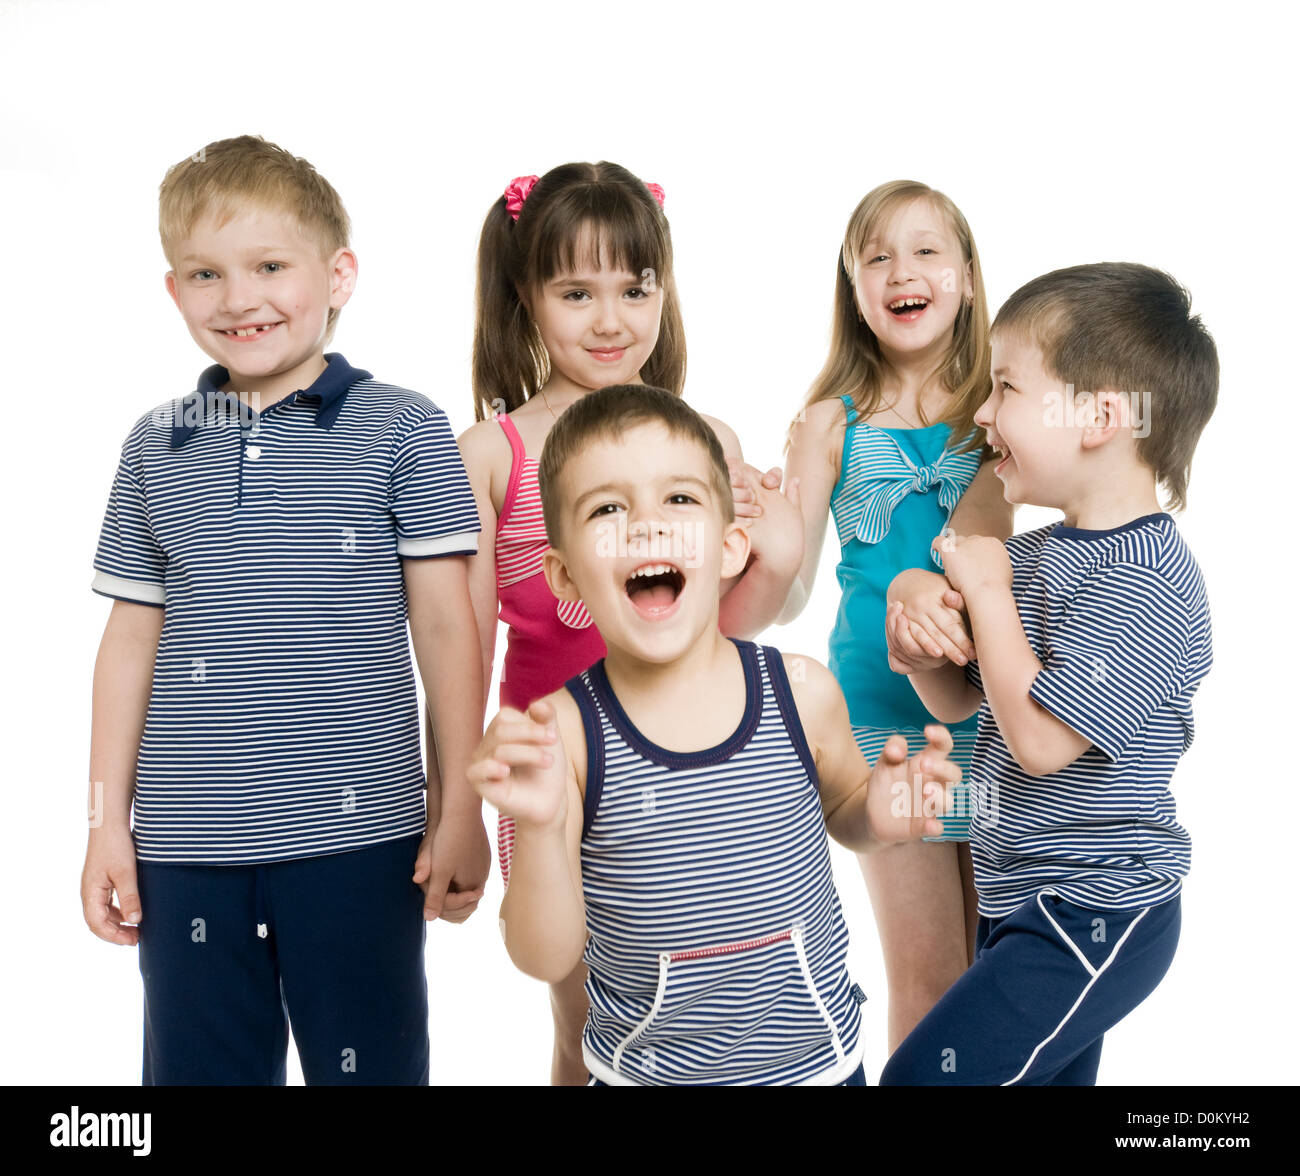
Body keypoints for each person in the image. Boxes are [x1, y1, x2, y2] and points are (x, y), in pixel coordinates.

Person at [81, 134, 488, 1084]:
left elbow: (446, 632)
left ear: (338, 275)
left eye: (270, 266)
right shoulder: (157, 443)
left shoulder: (402, 426)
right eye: (205, 273)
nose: (238, 297)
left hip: (359, 841)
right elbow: (128, 641)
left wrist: (458, 800)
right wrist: (106, 823)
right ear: (173, 289)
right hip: (185, 847)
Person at [470, 383, 961, 1085]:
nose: (646, 526)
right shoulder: (565, 737)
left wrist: (882, 812)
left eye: (678, 500)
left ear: (732, 545)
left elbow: (849, 808)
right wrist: (540, 827)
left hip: (817, 1069)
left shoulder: (800, 690)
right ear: (565, 575)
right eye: (608, 508)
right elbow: (544, 957)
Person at [450, 162, 798, 1084]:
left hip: (697, 776)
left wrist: (787, 555)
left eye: (635, 289)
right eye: (577, 291)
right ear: (526, 296)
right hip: (561, 777)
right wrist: (459, 810)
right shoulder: (492, 455)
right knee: (585, 1025)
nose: (611, 320)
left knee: (689, 1018)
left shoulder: (703, 441)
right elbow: (460, 651)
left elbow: (739, 623)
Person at [881, 262, 1216, 1085]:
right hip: (1019, 899)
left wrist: (985, 589)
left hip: (1098, 910)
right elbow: (972, 700)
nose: (983, 412)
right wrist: (918, 652)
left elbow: (1037, 740)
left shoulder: (1151, 581)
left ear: (1100, 417)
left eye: (1006, 388)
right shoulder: (1032, 558)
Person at [738, 181, 1013, 1049]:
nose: (904, 270)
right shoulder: (827, 423)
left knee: (999, 967)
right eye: (878, 255)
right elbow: (787, 597)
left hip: (992, 707)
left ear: (966, 277)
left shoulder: (1000, 411)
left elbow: (985, 557)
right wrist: (764, 535)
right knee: (929, 971)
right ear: (853, 287)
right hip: (876, 721)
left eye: (928, 250)